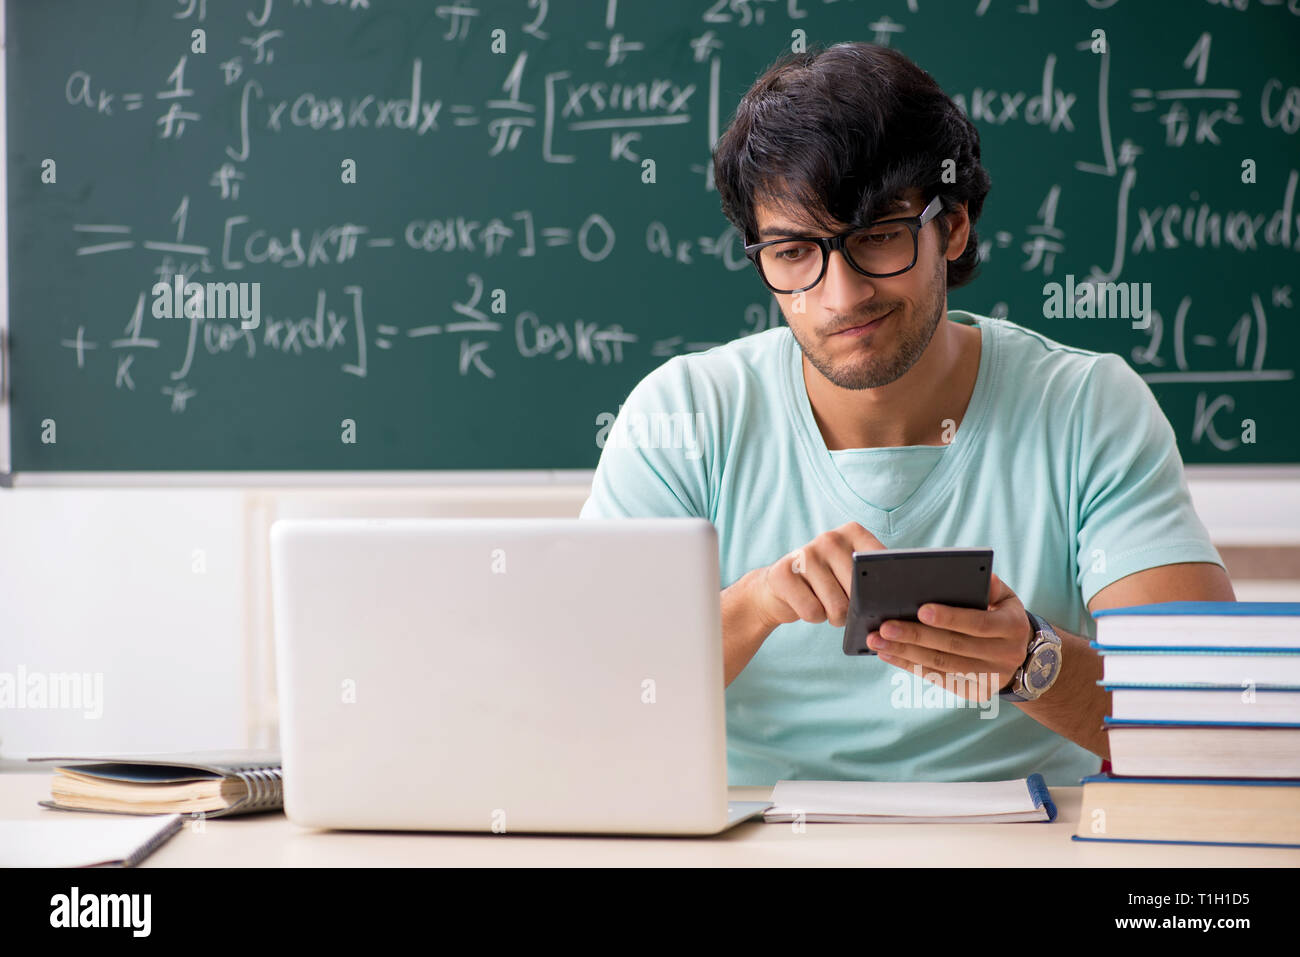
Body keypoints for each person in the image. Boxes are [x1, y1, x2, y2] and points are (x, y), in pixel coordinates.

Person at [580, 42, 1234, 786]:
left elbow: (1210, 721)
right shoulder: (683, 416)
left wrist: (1030, 660)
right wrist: (755, 603)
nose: (841, 296)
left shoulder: (1087, 408)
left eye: (877, 238)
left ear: (951, 226)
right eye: (795, 252)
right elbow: (583, 704)